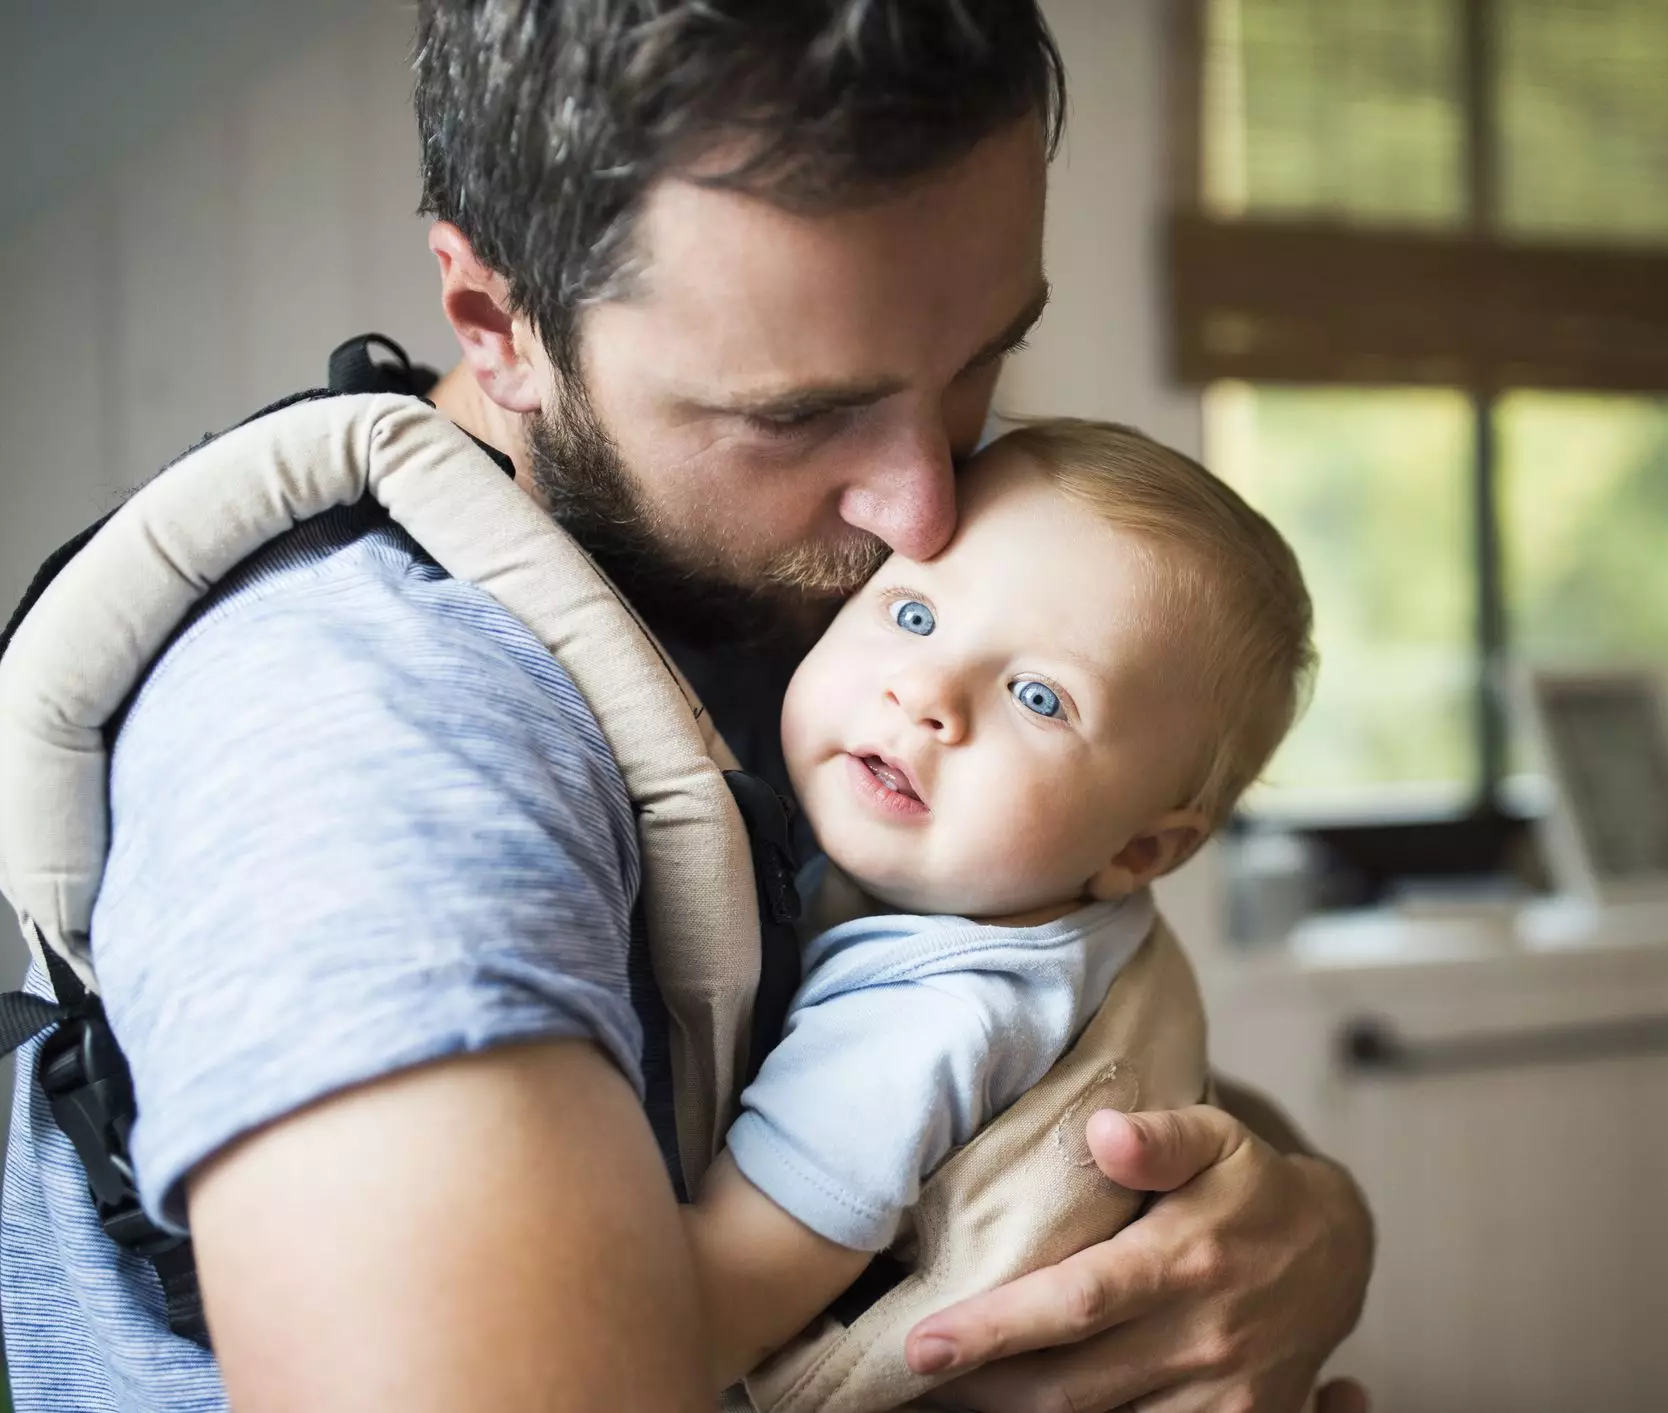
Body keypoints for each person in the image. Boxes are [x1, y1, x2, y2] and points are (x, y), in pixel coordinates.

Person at [0, 4, 1374, 1410]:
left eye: (977, 363)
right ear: (495, 322)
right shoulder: (371, 759)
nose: (920, 505)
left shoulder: (823, 616)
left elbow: (1010, 1046)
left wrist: (1302, 1225)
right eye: (797, 414)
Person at [679, 418, 1314, 1390]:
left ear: (1139, 849)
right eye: (916, 616)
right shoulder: (1041, 919)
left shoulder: (927, 1021)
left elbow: (702, 1315)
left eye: (1038, 697)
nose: (927, 691)